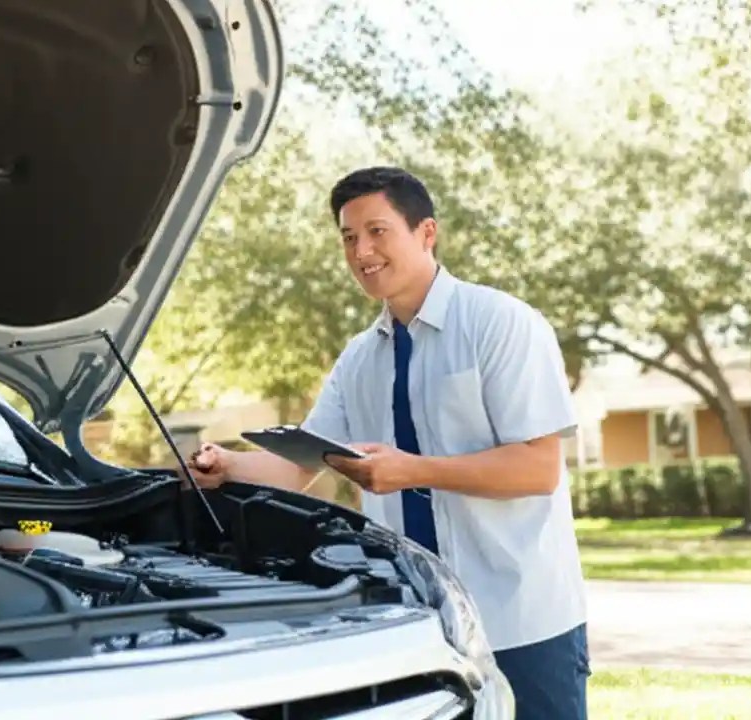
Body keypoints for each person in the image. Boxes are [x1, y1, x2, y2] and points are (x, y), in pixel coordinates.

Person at [186, 166, 590, 719]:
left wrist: (414, 470)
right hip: (419, 624)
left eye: (377, 231)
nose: (361, 251)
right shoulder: (359, 359)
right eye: (349, 238)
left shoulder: (502, 324)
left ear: (427, 233)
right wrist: (226, 464)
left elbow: (538, 469)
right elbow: (300, 467)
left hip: (522, 618)